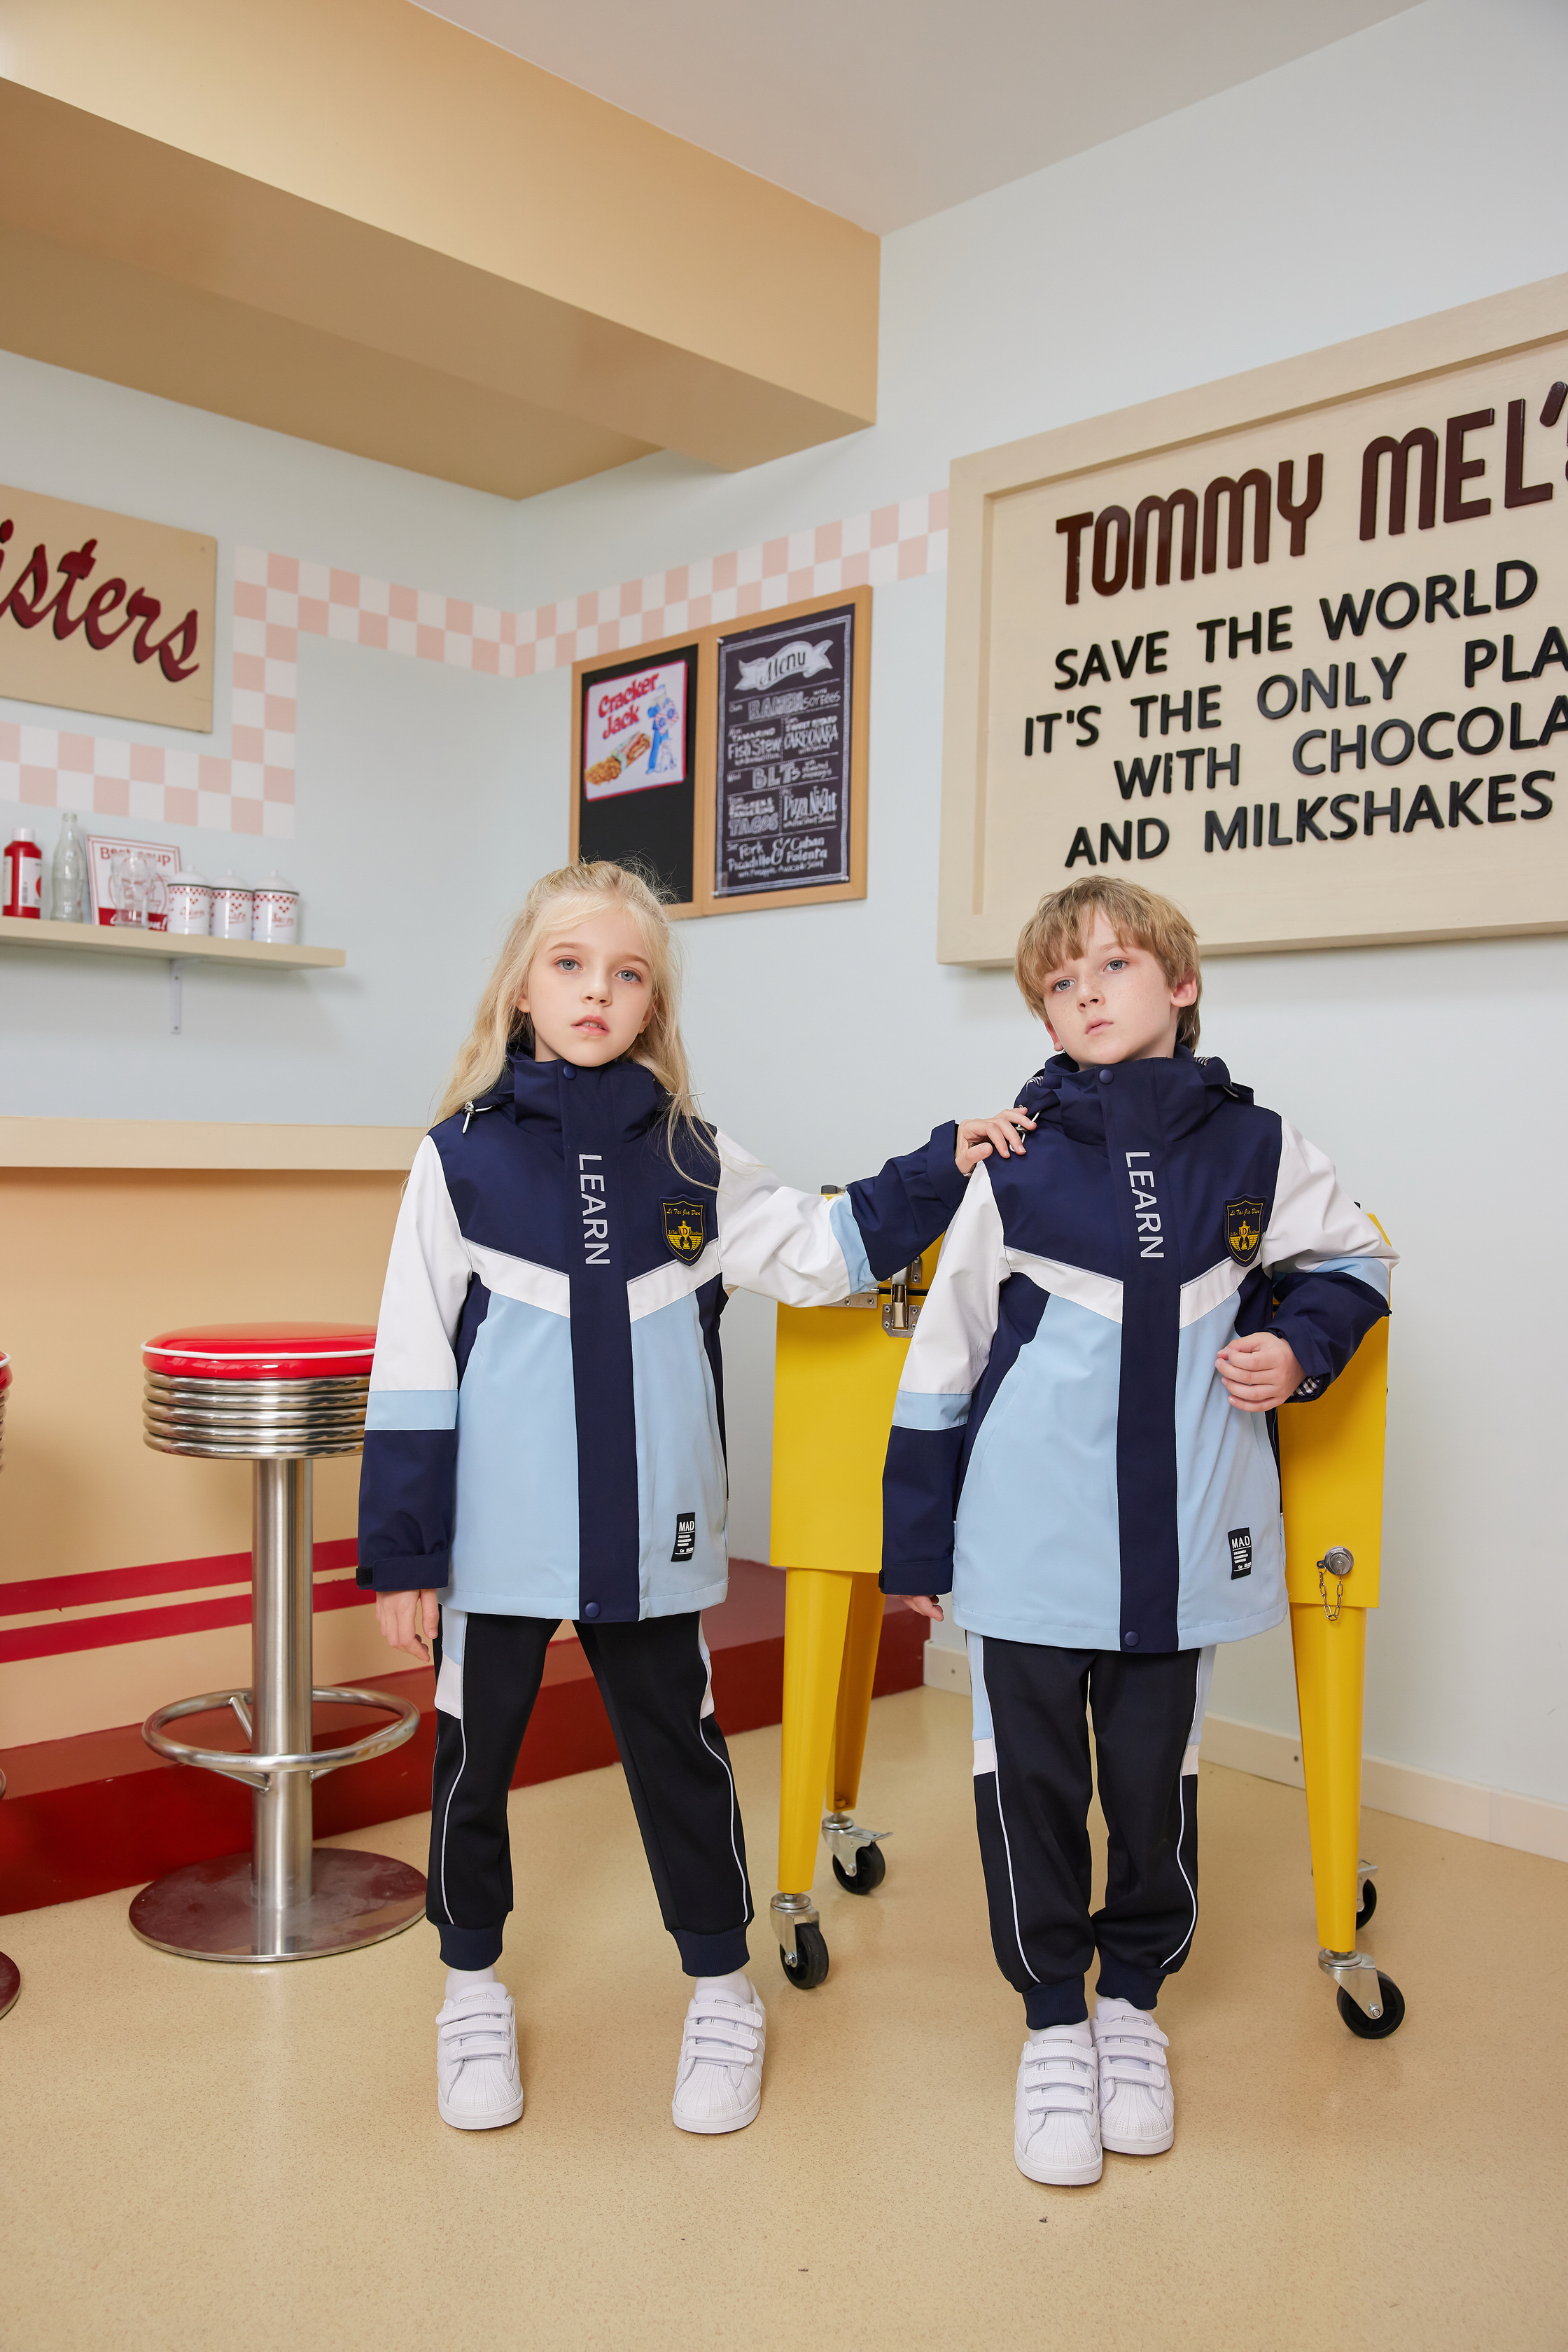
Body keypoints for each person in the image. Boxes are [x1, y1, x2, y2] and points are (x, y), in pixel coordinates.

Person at [358, 858, 1021, 2138]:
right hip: (495, 1534)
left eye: (626, 974)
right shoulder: (457, 1162)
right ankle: (470, 1984)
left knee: (680, 1753)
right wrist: (405, 1552)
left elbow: (823, 1253)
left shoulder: (693, 1157)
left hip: (652, 1534)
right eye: (569, 965)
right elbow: (412, 1359)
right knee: (472, 1762)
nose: (595, 992)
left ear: (651, 1004)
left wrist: (944, 1163)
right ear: (521, 986)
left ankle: (723, 1986)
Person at [881, 875, 1395, 2187]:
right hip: (1024, 1537)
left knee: (1156, 1785)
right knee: (1031, 1785)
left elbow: (1355, 1262)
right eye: (1061, 982)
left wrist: (1300, 1346)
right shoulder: (1012, 1164)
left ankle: (1131, 2002)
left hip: (1181, 1536)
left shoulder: (1258, 1145)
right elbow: (945, 1357)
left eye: (1113, 966)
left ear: (1181, 983)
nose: (1088, 992)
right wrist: (920, 1546)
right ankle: (1055, 2020)